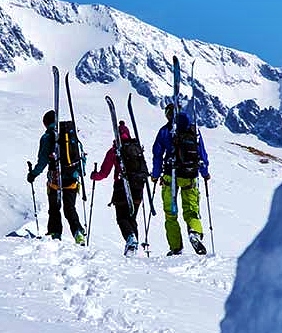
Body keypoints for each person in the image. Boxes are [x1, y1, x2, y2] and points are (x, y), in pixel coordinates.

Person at [151, 103, 210, 256]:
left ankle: (176, 247)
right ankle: (195, 233)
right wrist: (205, 173)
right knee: (191, 209)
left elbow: (157, 155)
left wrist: (156, 175)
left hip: (170, 175)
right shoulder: (194, 130)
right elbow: (201, 153)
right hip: (190, 175)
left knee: (170, 214)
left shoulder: (165, 131)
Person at [27, 109, 86, 244]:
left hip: (55, 179)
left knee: (54, 208)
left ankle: (55, 234)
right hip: (72, 178)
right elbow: (80, 155)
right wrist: (80, 173)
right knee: (70, 208)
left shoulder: (48, 137)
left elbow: (42, 161)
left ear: (46, 123)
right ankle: (78, 233)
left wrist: (33, 174)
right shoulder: (70, 134)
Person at [90, 121, 146, 256]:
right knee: (131, 218)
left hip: (122, 187)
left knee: (122, 217)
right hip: (138, 187)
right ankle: (134, 247)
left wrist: (94, 176)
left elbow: (104, 173)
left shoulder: (115, 150)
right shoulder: (137, 148)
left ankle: (131, 240)